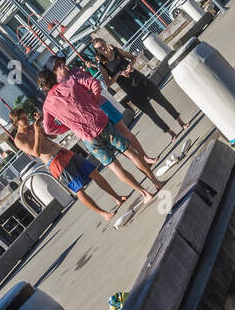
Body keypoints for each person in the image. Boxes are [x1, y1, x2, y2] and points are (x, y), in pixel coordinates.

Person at [40, 66, 163, 201]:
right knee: (131, 153)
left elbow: (49, 129)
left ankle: (145, 193)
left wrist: (68, 126)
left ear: (43, 87)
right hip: (101, 123)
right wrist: (94, 100)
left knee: (115, 167)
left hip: (87, 137)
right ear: (53, 77)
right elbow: (95, 82)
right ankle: (156, 182)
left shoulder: (47, 106)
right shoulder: (70, 83)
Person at [10, 105, 128, 220]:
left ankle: (116, 197)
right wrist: (36, 133)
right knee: (79, 190)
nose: (26, 120)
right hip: (54, 162)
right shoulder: (19, 139)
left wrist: (42, 125)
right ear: (16, 122)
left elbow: (54, 136)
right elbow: (35, 153)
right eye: (23, 119)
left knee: (94, 173)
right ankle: (103, 213)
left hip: (63, 152)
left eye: (26, 117)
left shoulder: (33, 127)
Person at [91, 37, 186, 139]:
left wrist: (130, 65)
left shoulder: (116, 50)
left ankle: (180, 121)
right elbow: (108, 83)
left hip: (141, 81)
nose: (102, 48)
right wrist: (118, 73)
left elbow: (133, 57)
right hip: (132, 91)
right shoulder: (102, 65)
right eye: (99, 48)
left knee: (163, 101)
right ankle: (170, 132)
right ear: (97, 51)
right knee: (151, 113)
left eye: (102, 45)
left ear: (105, 42)